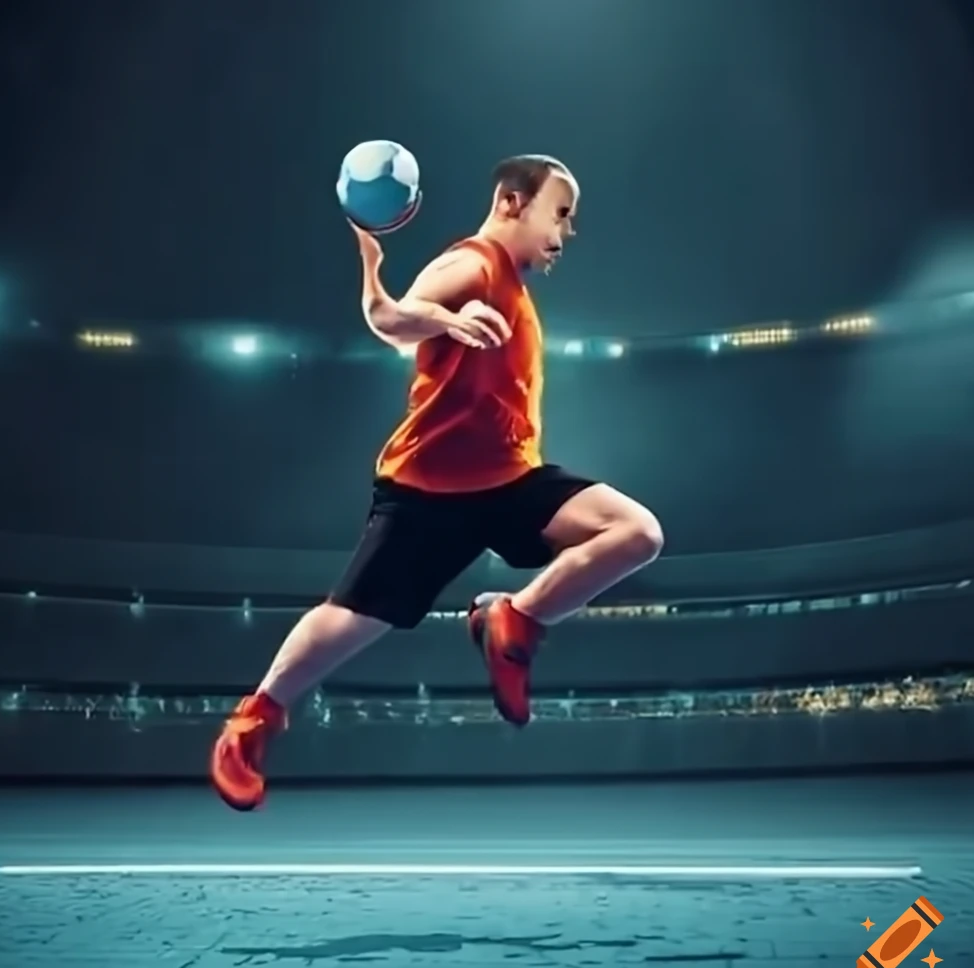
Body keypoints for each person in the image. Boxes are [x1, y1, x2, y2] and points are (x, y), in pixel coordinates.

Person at [210, 155, 664, 811]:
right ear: (512, 203)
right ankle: (250, 724)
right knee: (347, 621)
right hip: (430, 491)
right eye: (560, 213)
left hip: (510, 482)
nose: (568, 231)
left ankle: (513, 620)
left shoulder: (513, 284)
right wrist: (446, 320)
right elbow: (391, 320)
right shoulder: (473, 263)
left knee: (635, 532)